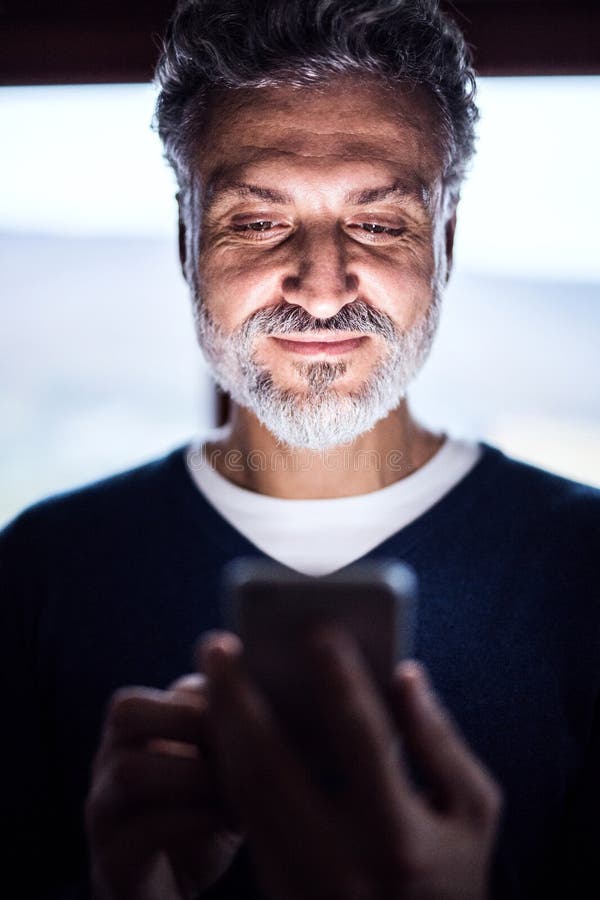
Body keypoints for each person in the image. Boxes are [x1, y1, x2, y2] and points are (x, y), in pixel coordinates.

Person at [2, 1, 598, 898]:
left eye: (380, 224)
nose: (321, 290)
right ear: (187, 240)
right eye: (257, 222)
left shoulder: (584, 569)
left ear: (444, 241)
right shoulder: (40, 573)